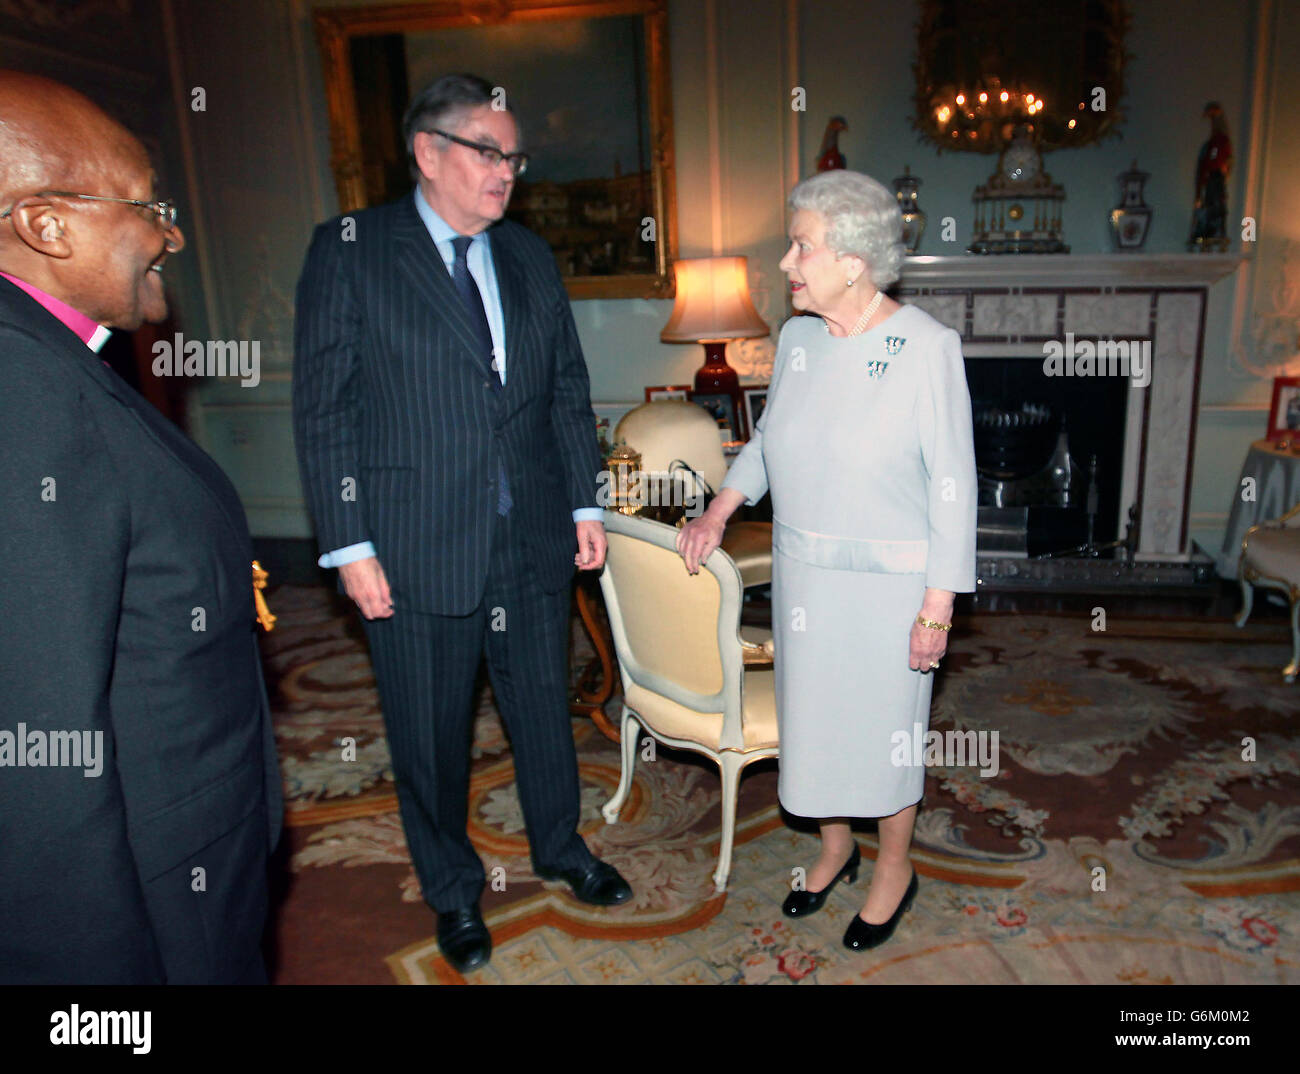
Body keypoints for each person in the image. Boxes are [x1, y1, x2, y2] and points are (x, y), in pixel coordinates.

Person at [293, 73, 631, 975]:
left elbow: (563, 385)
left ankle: (561, 847)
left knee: (542, 713)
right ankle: (453, 891)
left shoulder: (527, 255)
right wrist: (349, 542)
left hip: (531, 537)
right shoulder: (352, 250)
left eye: (515, 156)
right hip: (411, 543)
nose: (507, 171)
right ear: (429, 152)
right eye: (489, 152)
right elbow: (325, 411)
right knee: (429, 731)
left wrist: (582, 501)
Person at [0, 72, 282, 984]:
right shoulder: (21, 390)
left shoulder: (54, 364)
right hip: (154, 894)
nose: (173, 232)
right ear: (47, 225)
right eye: (148, 205)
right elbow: (36, 745)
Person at [677, 169, 976, 951]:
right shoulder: (798, 340)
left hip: (891, 589)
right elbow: (769, 444)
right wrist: (718, 508)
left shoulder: (927, 348)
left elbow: (954, 490)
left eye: (801, 245)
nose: (786, 263)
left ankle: (894, 867)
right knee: (817, 727)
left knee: (883, 734)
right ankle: (836, 847)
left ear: (852, 261)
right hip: (805, 578)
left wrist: (937, 611)